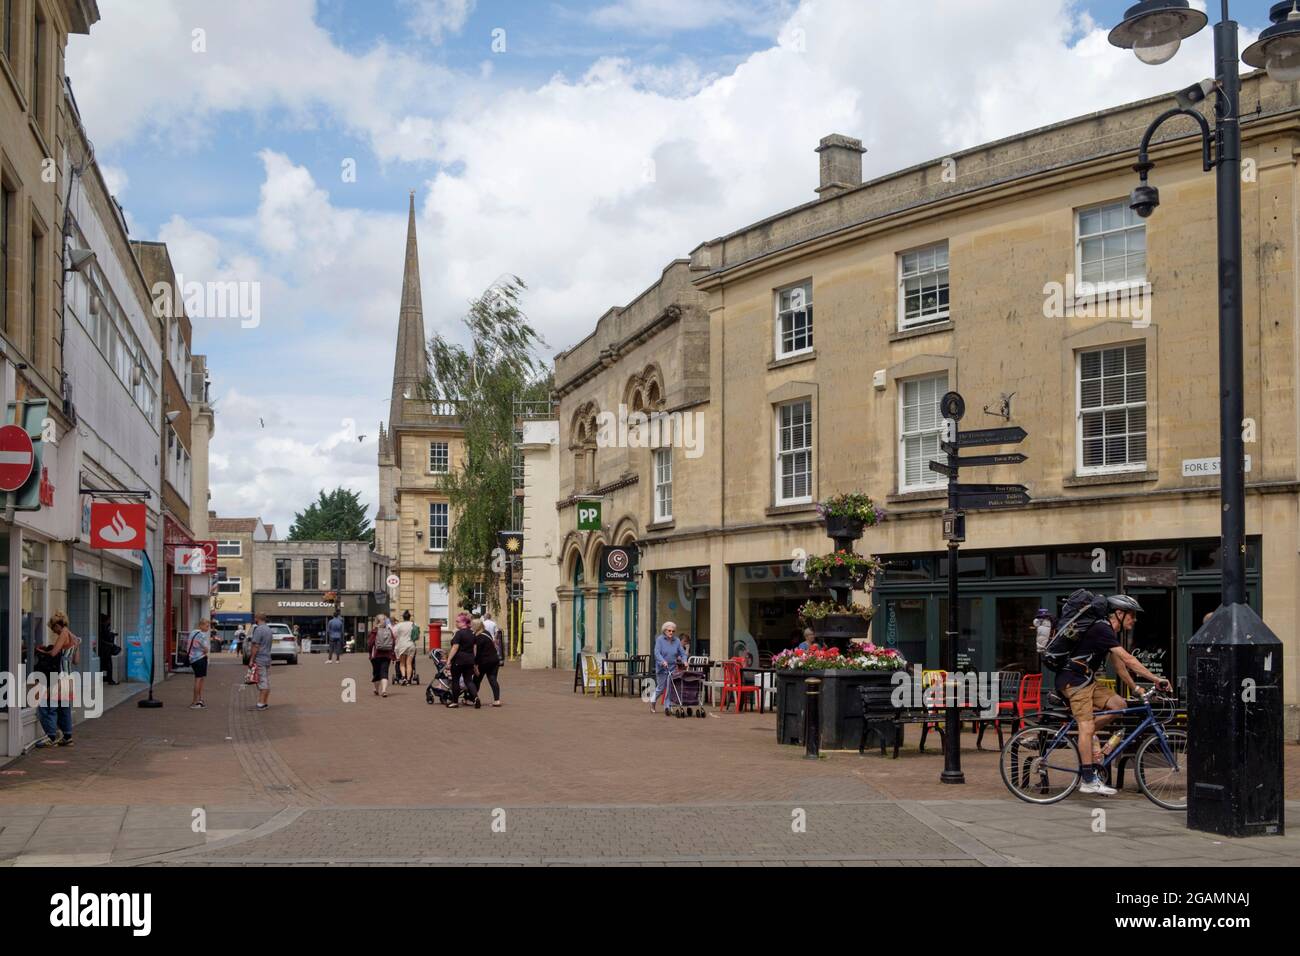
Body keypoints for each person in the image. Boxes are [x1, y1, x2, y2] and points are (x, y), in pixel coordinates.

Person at [1056, 594, 1172, 796]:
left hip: (1087, 681)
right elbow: (1128, 659)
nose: (1134, 620)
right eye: (1131, 615)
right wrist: (1156, 678)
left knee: (1119, 705)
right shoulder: (1101, 628)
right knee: (1086, 725)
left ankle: (1086, 736)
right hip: (1073, 681)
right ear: (1119, 613)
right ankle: (1088, 779)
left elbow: (1119, 665)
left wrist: (1135, 688)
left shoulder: (1107, 632)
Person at [34, 612, 80, 748]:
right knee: (64, 707)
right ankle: (67, 736)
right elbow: (76, 661)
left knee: (47, 705)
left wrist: (39, 650)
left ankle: (51, 736)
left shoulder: (64, 634)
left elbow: (54, 653)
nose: (53, 631)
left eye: (53, 628)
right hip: (69, 676)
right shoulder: (74, 637)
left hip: (60, 677)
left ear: (58, 625)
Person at [446, 612, 479, 709]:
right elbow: (475, 648)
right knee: (468, 680)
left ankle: (455, 702)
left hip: (459, 660)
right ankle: (476, 698)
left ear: (463, 623)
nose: (456, 623)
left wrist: (449, 660)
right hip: (469, 660)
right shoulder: (472, 633)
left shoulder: (459, 634)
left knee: (455, 680)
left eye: (457, 622)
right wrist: (474, 660)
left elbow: (455, 647)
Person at [652, 621, 685, 714]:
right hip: (662, 667)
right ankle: (653, 702)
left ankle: (667, 706)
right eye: (669, 630)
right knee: (661, 688)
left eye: (673, 631)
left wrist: (685, 660)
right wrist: (662, 661)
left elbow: (682, 653)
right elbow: (656, 653)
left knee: (670, 687)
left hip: (672, 667)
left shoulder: (677, 641)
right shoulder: (660, 640)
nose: (671, 633)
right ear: (665, 631)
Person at [472, 616, 502, 706]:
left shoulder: (478, 637)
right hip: (494, 660)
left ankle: (472, 698)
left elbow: (478, 653)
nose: (471, 627)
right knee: (493, 679)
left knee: (476, 680)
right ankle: (497, 700)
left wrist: (476, 666)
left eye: (472, 625)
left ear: (476, 627)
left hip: (484, 662)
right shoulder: (487, 633)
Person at [247, 613, 274, 711]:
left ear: (257, 618)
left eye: (255, 618)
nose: (254, 619)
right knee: (265, 679)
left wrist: (251, 659)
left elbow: (256, 646)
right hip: (267, 657)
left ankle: (261, 703)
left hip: (260, 658)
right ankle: (265, 702)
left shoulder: (259, 629)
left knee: (262, 681)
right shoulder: (268, 629)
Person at [185, 619, 212, 709]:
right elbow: (206, 649)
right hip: (200, 658)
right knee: (199, 679)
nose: (208, 628)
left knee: (199, 679)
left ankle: (199, 699)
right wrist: (205, 650)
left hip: (193, 659)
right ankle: (195, 702)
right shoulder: (202, 635)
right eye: (206, 626)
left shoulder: (193, 633)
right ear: (201, 625)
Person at [369, 613, 396, 697]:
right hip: (387, 655)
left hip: (376, 655)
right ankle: (384, 690)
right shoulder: (389, 630)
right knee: (384, 672)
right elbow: (393, 642)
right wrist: (392, 653)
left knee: (376, 673)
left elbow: (370, 643)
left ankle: (377, 690)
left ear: (376, 621)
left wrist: (370, 653)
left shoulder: (374, 631)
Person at [393, 610, 417, 684]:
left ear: (403, 617)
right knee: (409, 663)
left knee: (402, 663)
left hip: (402, 645)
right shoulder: (414, 625)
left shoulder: (399, 625)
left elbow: (394, 635)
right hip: (411, 645)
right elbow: (417, 636)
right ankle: (409, 680)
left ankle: (403, 678)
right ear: (409, 617)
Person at [96, 614, 119, 685]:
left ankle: (108, 679)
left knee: (106, 665)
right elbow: (102, 638)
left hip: (105, 649)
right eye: (108, 619)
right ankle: (109, 679)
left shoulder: (104, 627)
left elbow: (105, 636)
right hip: (105, 650)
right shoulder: (103, 627)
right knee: (108, 665)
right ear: (106, 620)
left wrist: (112, 634)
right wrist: (110, 641)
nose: (109, 621)